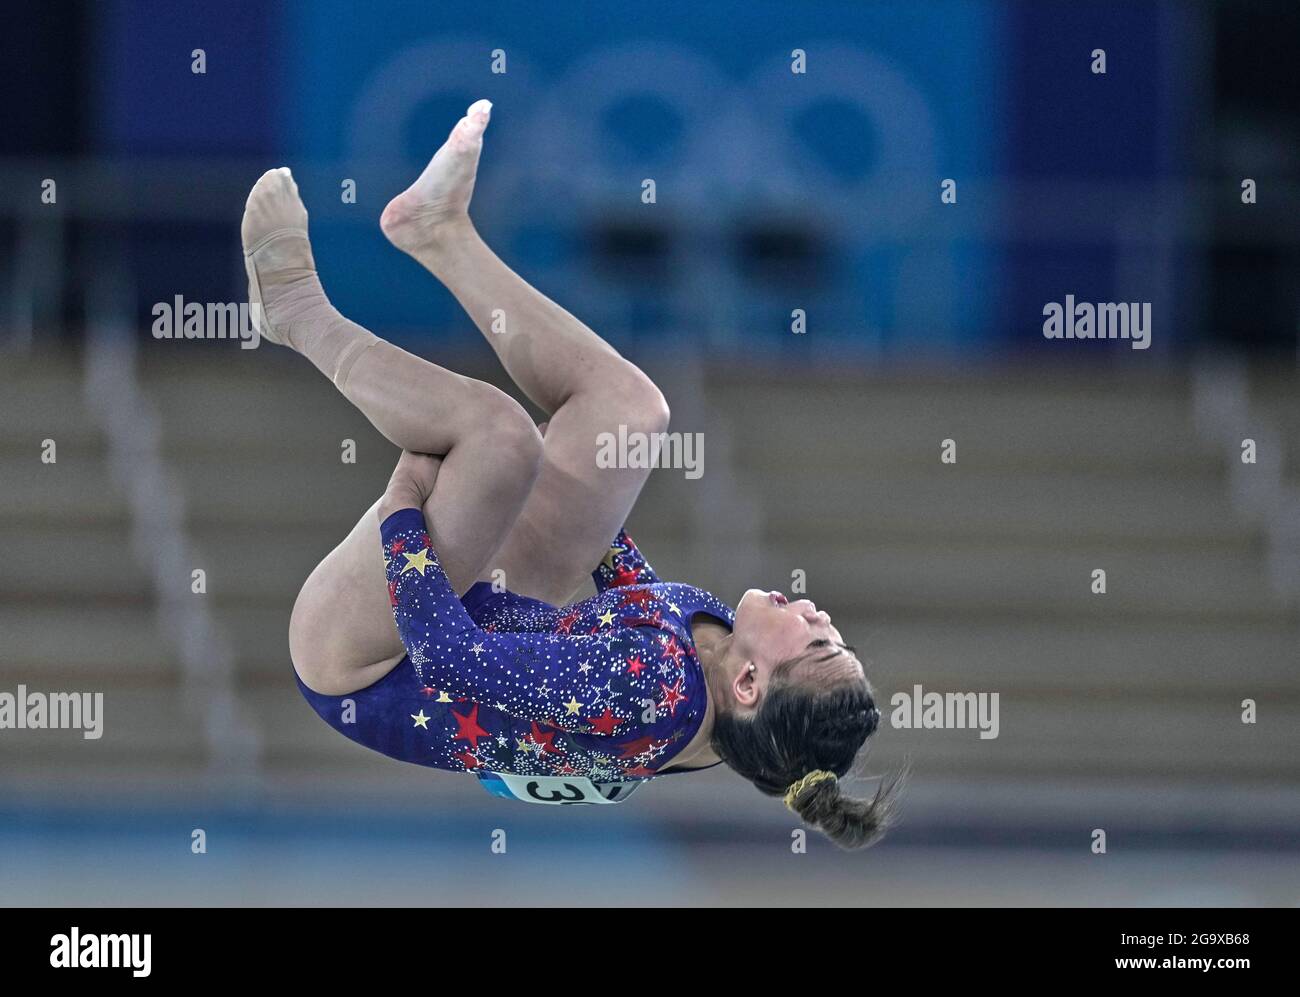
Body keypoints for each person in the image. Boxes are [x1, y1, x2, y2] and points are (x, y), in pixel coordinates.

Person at [241, 99, 902, 848]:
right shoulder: (715, 660)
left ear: (750, 686)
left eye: (816, 641)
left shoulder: (657, 691)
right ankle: (438, 232)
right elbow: (633, 599)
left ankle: (296, 311)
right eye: (833, 630)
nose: (818, 611)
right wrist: (576, 474)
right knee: (631, 413)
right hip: (493, 609)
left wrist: (405, 513)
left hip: (368, 660)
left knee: (495, 437)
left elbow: (450, 662)